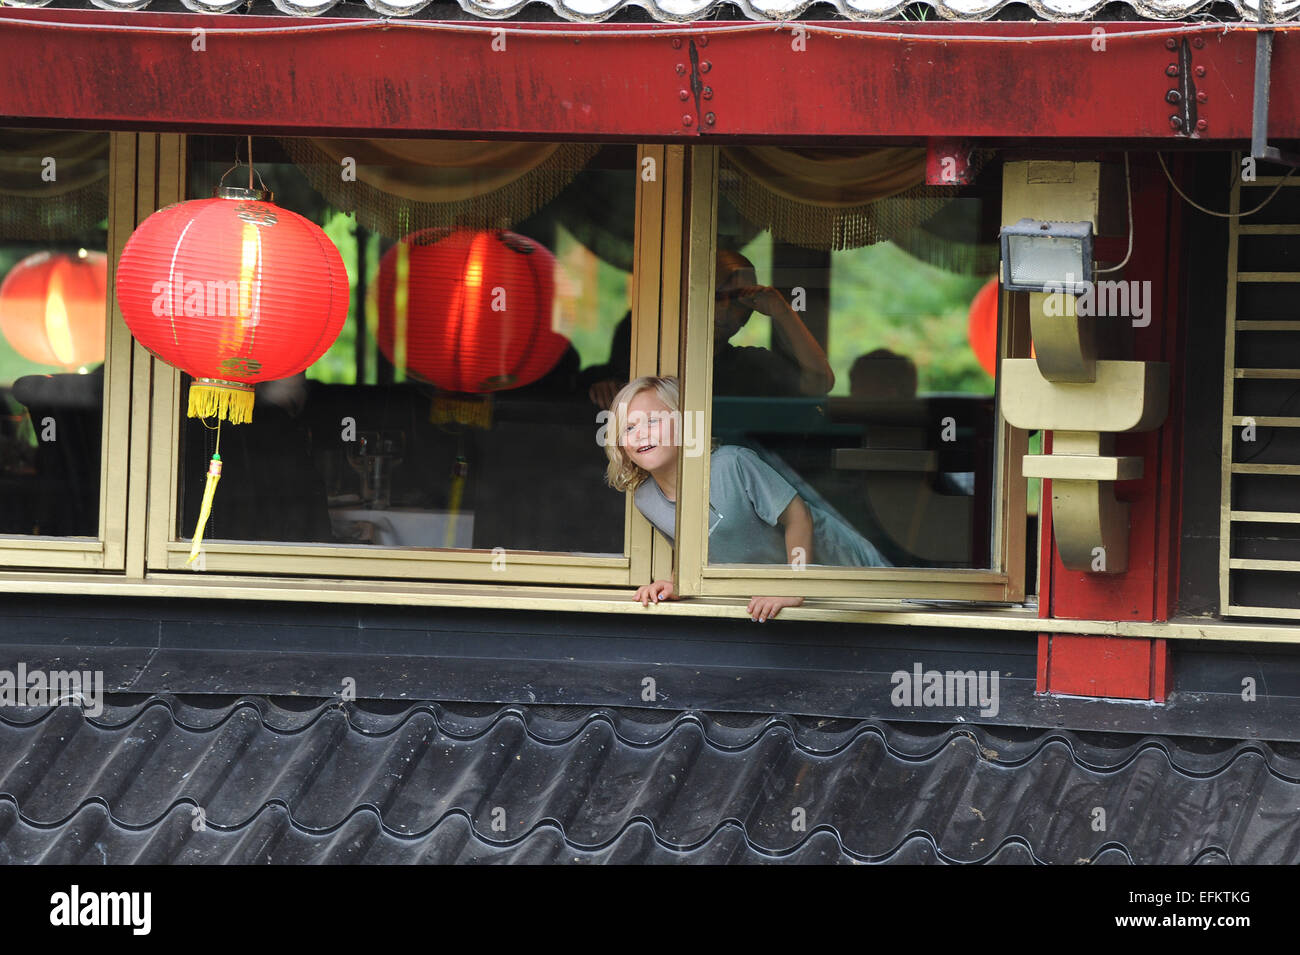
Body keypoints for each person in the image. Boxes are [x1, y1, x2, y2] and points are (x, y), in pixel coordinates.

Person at [604, 375, 889, 622]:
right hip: (783, 595)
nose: (640, 434)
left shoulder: (733, 463)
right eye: (629, 428)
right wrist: (678, 583)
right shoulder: (645, 499)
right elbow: (689, 545)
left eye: (653, 421)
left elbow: (799, 518)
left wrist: (794, 583)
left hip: (855, 575)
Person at [584, 249, 834, 408]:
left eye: (739, 299)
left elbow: (820, 382)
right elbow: (589, 386)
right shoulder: (642, 352)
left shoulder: (752, 367)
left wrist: (782, 312)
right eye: (716, 295)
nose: (726, 309)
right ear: (689, 296)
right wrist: (603, 389)